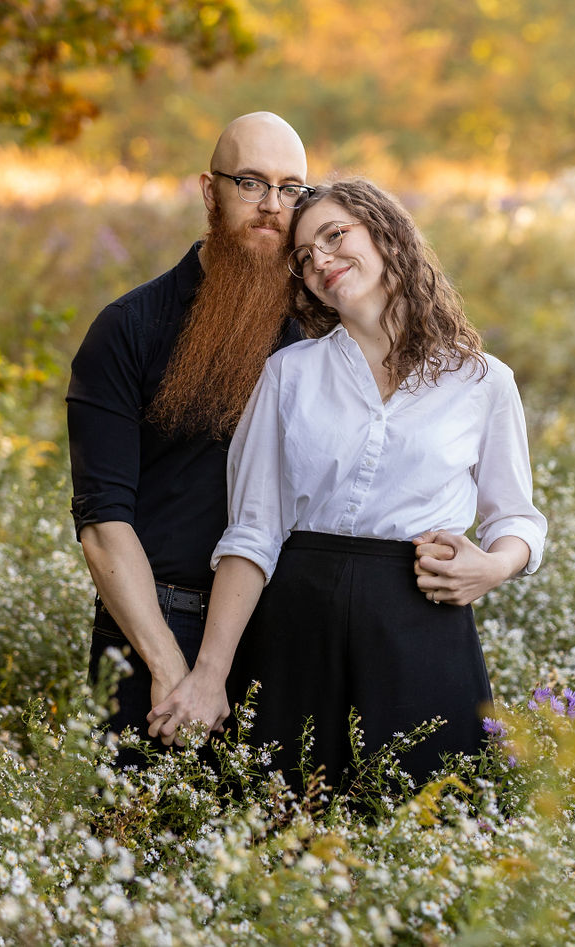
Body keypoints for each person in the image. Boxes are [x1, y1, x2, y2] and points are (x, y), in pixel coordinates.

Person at [150, 178, 547, 795]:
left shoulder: (483, 382)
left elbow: (516, 518)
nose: (321, 262)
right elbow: (252, 533)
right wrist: (210, 673)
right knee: (281, 840)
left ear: (387, 233)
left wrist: (494, 567)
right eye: (304, 257)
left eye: (335, 236)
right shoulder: (288, 375)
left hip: (421, 629)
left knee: (424, 841)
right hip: (294, 630)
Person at [65, 112, 312, 765]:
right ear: (210, 191)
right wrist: (171, 667)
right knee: (133, 849)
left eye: (292, 189)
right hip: (155, 628)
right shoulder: (127, 329)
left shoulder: (324, 335)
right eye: (251, 182)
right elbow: (101, 521)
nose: (272, 206)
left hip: (284, 633)